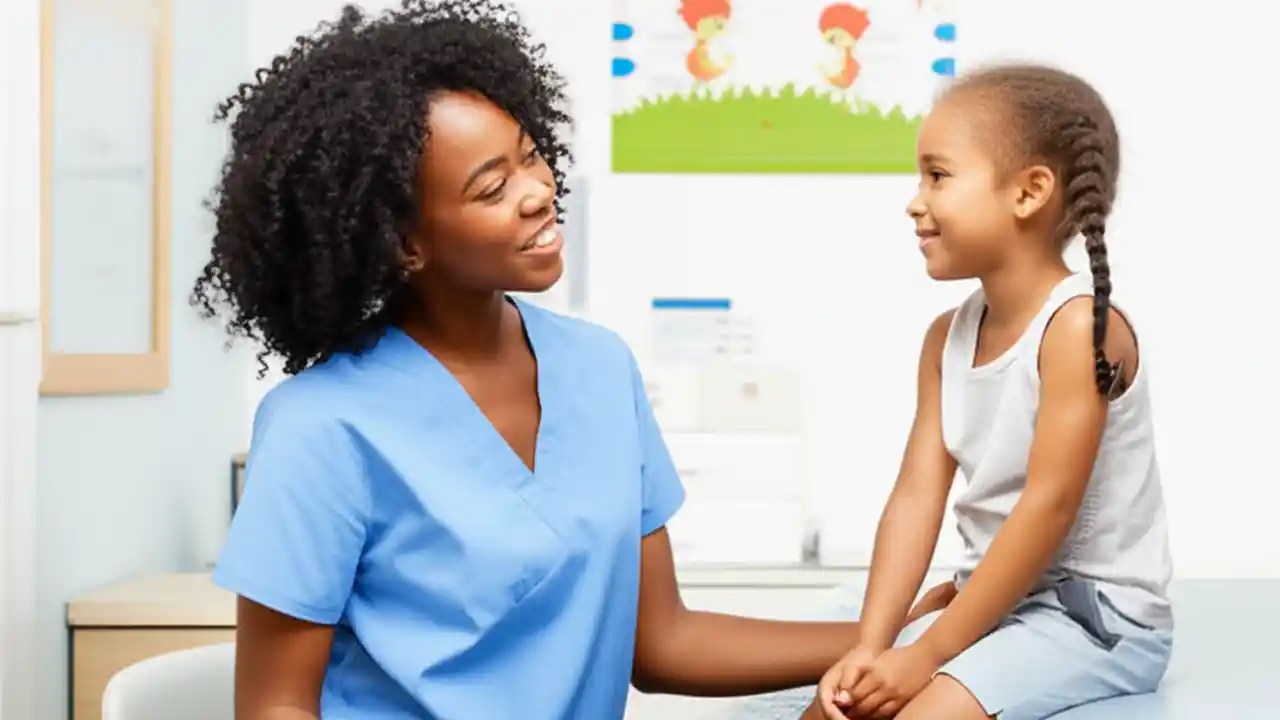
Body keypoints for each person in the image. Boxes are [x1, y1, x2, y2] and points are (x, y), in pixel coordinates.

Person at [192, 2, 947, 718]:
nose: (537, 193)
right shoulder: (320, 426)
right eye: (492, 187)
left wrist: (899, 639)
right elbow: (275, 704)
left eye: (530, 157)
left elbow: (662, 642)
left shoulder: (598, 368)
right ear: (402, 243)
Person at [803, 63, 1174, 719]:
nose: (914, 200)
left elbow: (1048, 506)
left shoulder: (1081, 329)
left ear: (1029, 192)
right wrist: (874, 644)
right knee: (838, 705)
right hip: (994, 596)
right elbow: (917, 496)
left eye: (937, 176)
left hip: (1094, 617)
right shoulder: (944, 339)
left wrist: (931, 652)